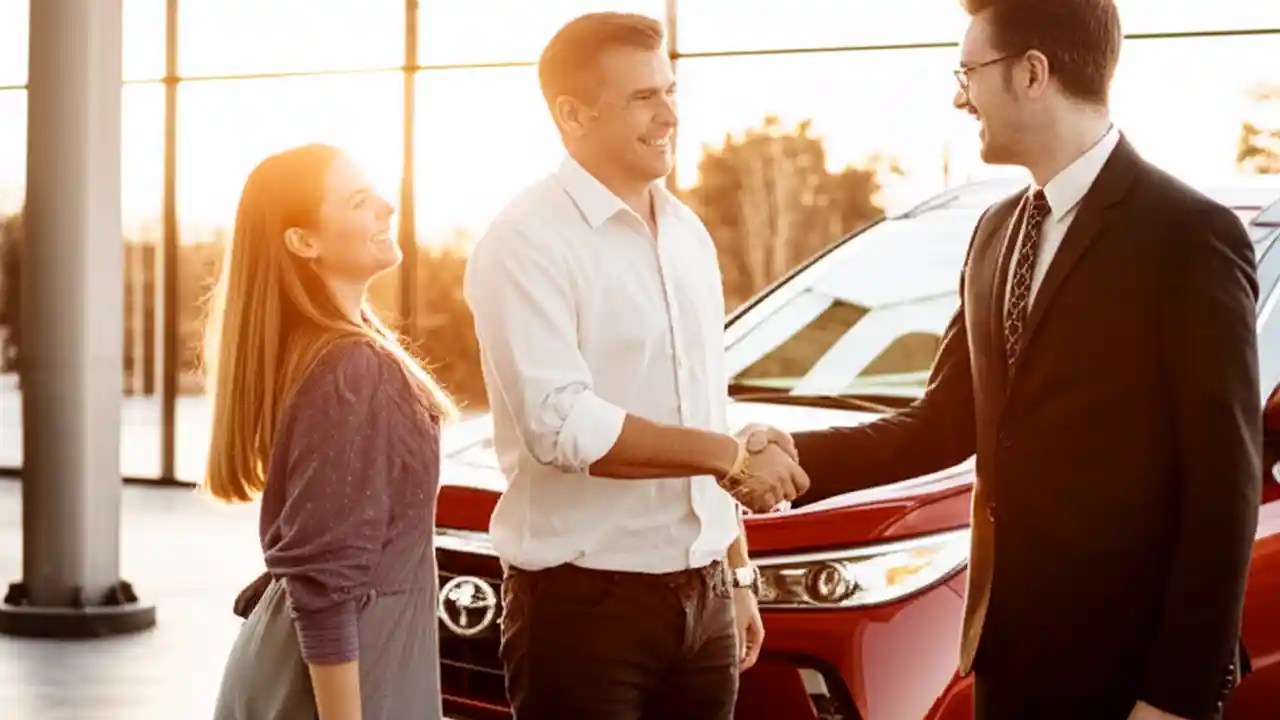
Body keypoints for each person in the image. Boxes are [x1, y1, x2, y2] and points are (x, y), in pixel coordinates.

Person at [787, 1, 1261, 718]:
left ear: (1033, 72)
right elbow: (942, 425)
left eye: (969, 71)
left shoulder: (1189, 237)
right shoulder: (995, 233)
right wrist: (785, 454)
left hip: (1131, 679)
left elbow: (1224, 488)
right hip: (1007, 660)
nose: (958, 94)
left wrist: (1172, 699)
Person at [462, 12, 809, 720]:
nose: (670, 114)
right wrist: (727, 458)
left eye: (670, 90)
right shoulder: (522, 242)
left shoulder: (687, 233)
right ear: (572, 113)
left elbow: (701, 407)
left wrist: (738, 571)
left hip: (706, 600)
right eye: (643, 97)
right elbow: (563, 424)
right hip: (584, 610)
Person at [205, 143, 456, 720]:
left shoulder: (322, 353)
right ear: (304, 240)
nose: (387, 208)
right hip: (342, 681)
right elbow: (324, 583)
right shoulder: (351, 368)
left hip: (335, 661)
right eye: (359, 201)